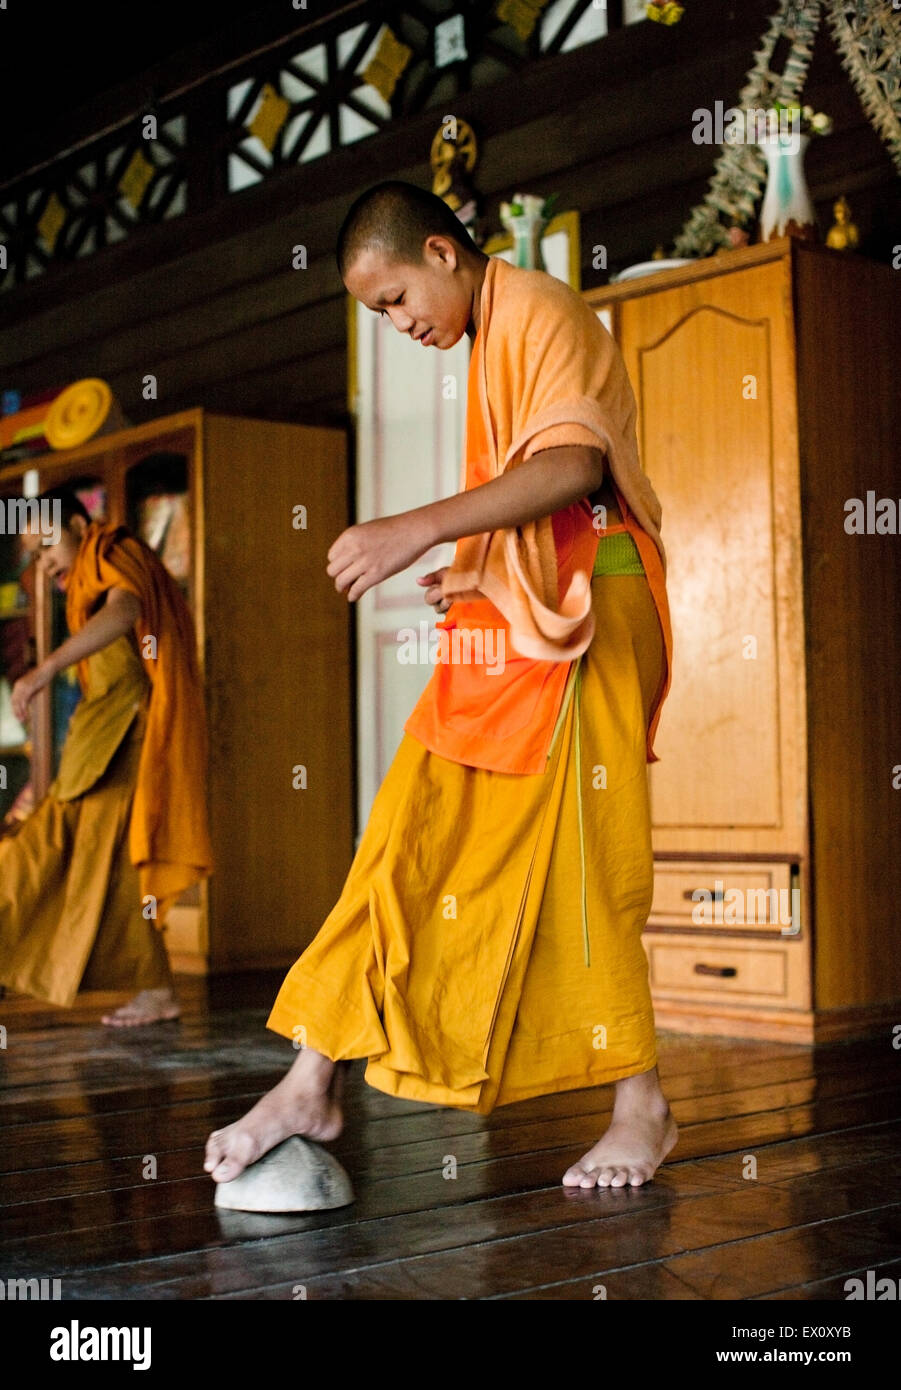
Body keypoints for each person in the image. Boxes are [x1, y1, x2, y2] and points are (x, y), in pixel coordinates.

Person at [205, 180, 677, 1190]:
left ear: (441, 250)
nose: (396, 325)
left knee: (587, 858)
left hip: (593, 603)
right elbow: (530, 497)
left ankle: (642, 1101)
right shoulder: (489, 331)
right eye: (377, 314)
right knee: (402, 830)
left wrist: (415, 525)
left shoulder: (542, 308)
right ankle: (310, 1075)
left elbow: (573, 466)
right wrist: (472, 570)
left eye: (394, 299)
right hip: (515, 616)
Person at [0, 489, 212, 1025]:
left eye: (48, 544)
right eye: (34, 554)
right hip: (98, 742)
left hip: (129, 738)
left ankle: (157, 987)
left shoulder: (114, 551)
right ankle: (157, 987)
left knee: (103, 864)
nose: (44, 561)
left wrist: (45, 669)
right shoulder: (86, 581)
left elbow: (127, 611)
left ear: (78, 523)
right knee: (75, 859)